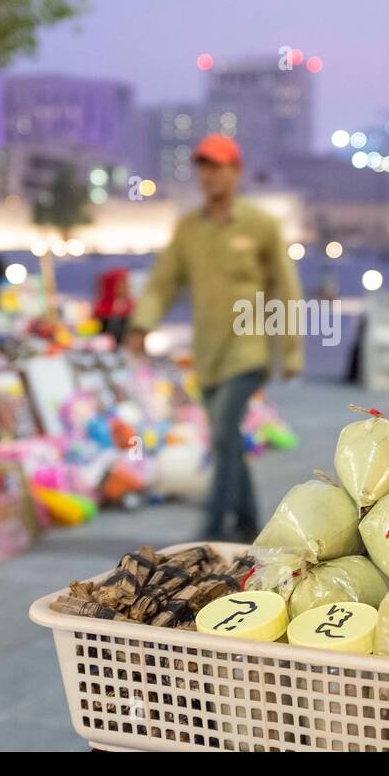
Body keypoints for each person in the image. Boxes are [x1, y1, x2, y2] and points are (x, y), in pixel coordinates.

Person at [125, 134, 303, 541]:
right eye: (203, 167)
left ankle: (213, 532)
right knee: (229, 442)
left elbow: (286, 289)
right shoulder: (189, 230)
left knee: (223, 433)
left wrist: (290, 351)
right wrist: (140, 325)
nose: (209, 175)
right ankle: (247, 523)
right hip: (207, 356)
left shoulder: (261, 226)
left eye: (218, 166)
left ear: (236, 171)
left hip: (248, 352)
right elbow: (162, 283)